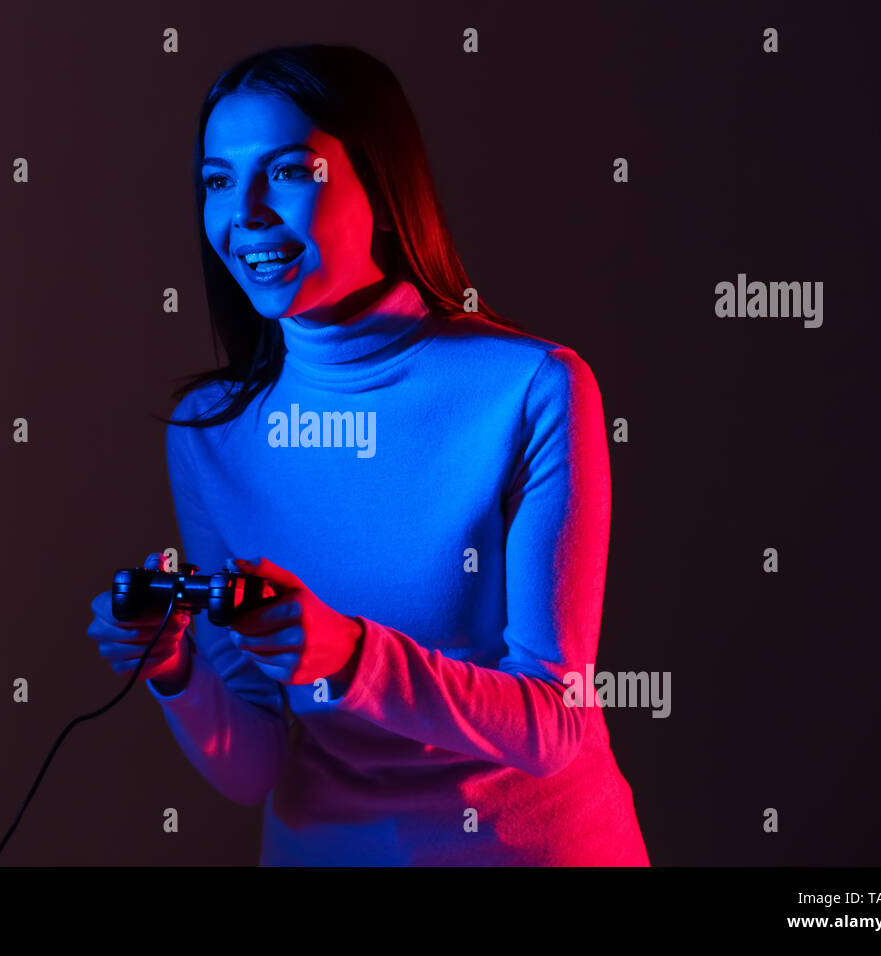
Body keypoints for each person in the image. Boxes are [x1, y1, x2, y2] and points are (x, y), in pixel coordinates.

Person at [87, 44, 650, 865]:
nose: (243, 213)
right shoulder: (211, 432)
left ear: (382, 191)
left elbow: (555, 723)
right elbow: (254, 770)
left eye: (287, 172)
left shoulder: (533, 388)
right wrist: (175, 669)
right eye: (216, 181)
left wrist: (349, 657)